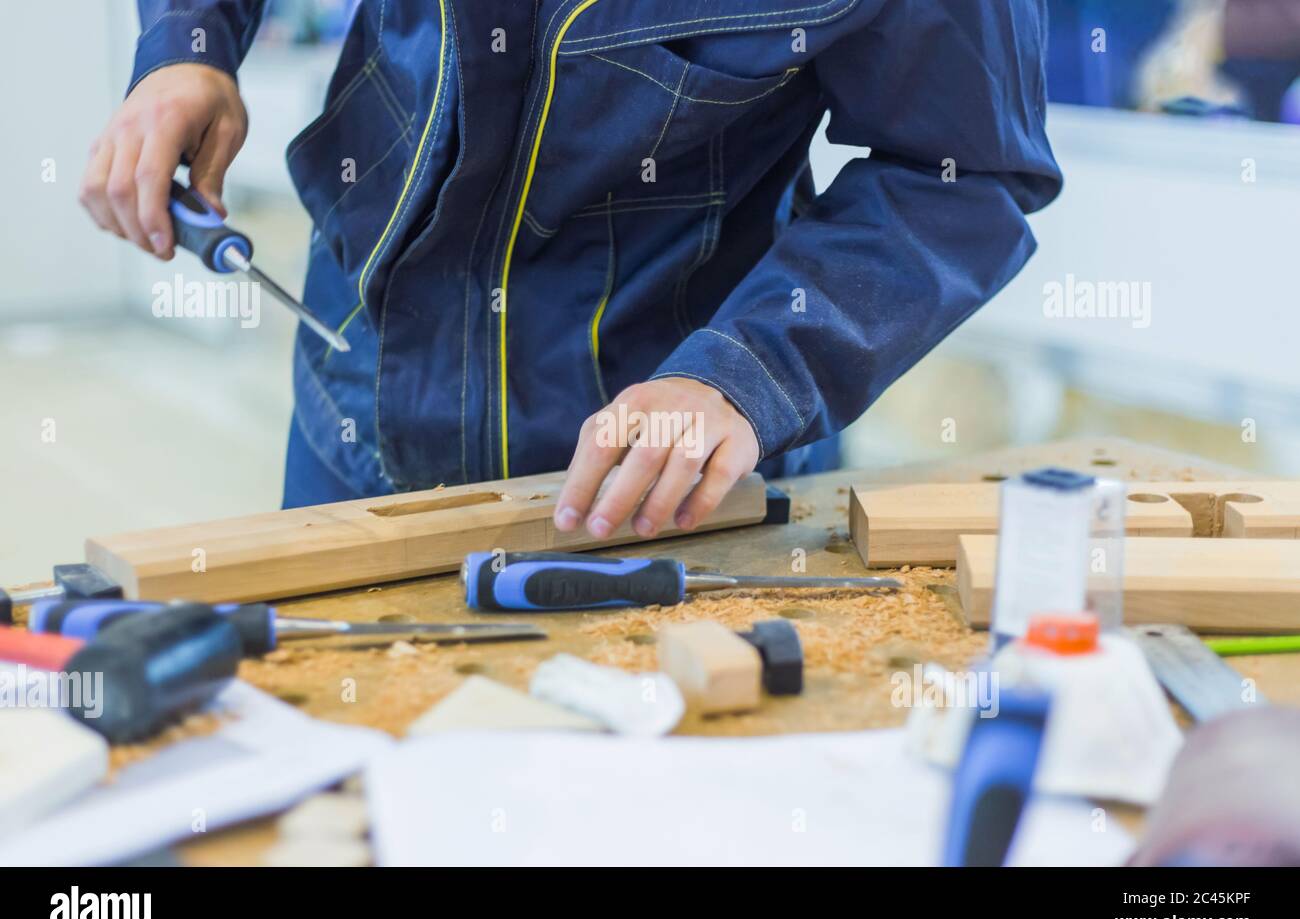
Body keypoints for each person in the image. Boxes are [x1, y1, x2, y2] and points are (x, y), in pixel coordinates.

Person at [80, 0, 1061, 539]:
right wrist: (188, 45)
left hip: (669, 475)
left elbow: (964, 173)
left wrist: (748, 370)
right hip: (357, 408)